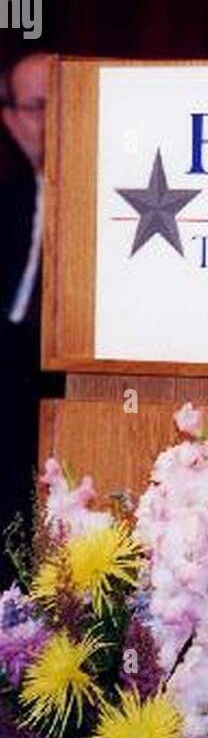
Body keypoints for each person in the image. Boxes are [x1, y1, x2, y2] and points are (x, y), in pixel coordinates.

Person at [0, 52, 50, 582]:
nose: (53, 118)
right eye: (37, 107)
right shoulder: (6, 204)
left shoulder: (119, 211)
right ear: (12, 119)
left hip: (68, 399)